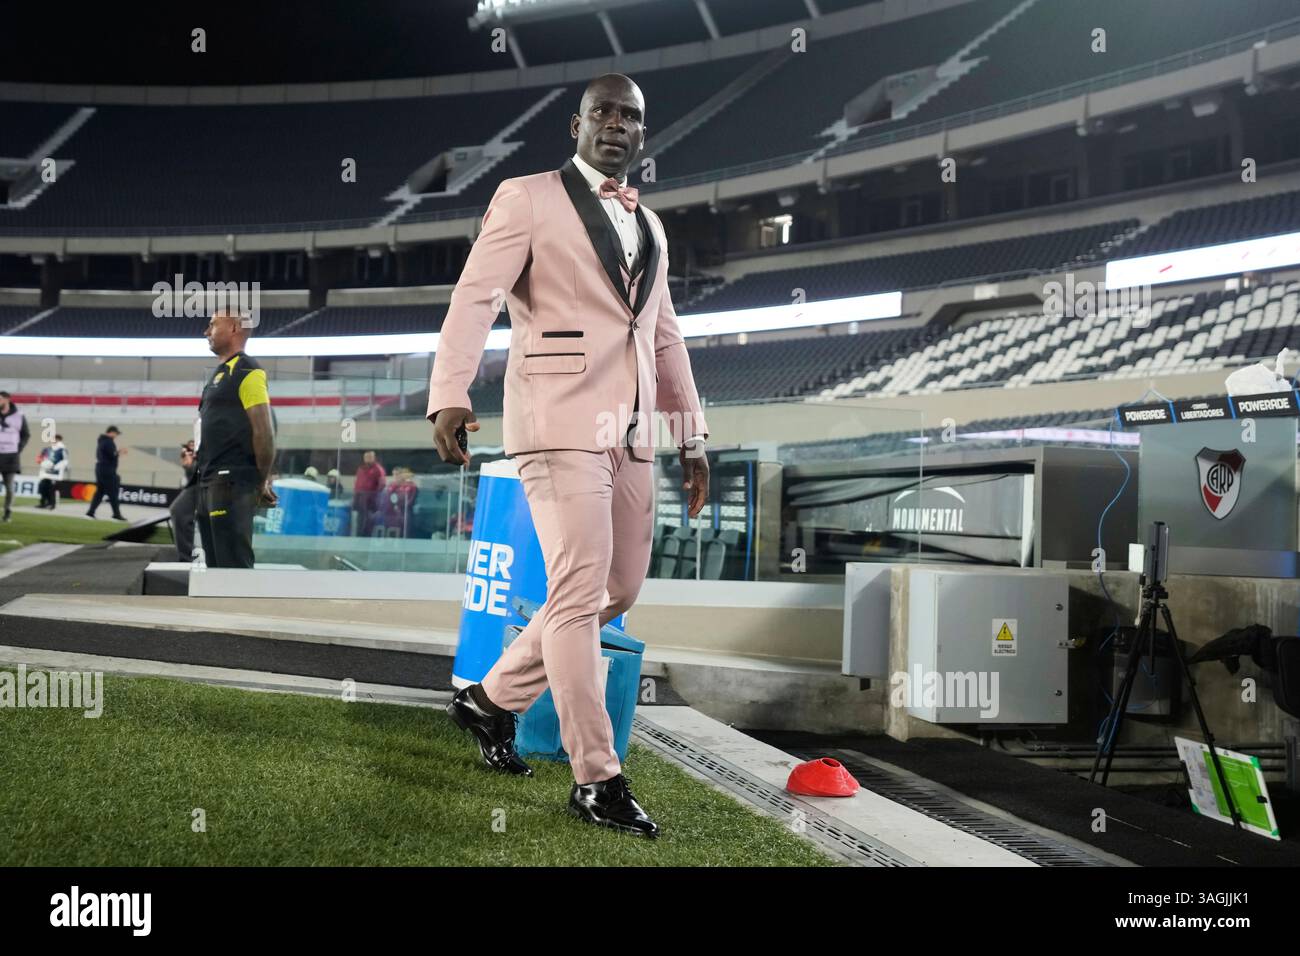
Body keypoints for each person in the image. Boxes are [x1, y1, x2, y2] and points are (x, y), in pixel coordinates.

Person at [433, 74, 710, 839]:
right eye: (604, 113)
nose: (617, 125)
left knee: (614, 591)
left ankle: (488, 700)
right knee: (580, 589)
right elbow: (474, 297)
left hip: (633, 433)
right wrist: (450, 390)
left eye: (632, 117)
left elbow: (663, 336)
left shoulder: (650, 224)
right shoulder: (525, 198)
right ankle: (598, 778)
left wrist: (691, 435)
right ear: (577, 124)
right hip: (554, 420)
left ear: (644, 133)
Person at [194, 309, 277, 568]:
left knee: (233, 569)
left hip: (231, 483)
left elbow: (264, 432)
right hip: (208, 482)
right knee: (216, 568)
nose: (206, 332)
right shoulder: (219, 374)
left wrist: (261, 481)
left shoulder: (249, 371)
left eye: (212, 325)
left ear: (233, 328)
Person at [0, 391, 31, 522]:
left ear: (7, 400)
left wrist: (18, 448)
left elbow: (26, 434)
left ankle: (7, 512)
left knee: (9, 487)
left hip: (11, 456)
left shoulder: (19, 415)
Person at [86, 425, 127, 521]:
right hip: (107, 470)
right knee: (113, 492)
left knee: (100, 492)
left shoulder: (102, 441)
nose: (116, 436)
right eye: (116, 433)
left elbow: (107, 454)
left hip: (100, 469)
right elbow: (112, 455)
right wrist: (120, 452)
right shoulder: (108, 442)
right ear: (111, 432)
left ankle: (90, 512)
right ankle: (116, 514)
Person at [169, 439, 199, 561]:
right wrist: (188, 465)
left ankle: (187, 557)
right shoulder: (191, 460)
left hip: (206, 482)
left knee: (178, 510)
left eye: (191, 449)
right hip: (198, 483)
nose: (188, 452)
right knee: (178, 510)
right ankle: (187, 556)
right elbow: (191, 476)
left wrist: (191, 464)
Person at [352, 450, 386, 536]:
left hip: (370, 502)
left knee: (368, 523)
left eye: (370, 457)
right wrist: (355, 499)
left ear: (374, 458)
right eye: (366, 457)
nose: (367, 459)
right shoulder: (361, 469)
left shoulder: (378, 469)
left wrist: (373, 497)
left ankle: (366, 540)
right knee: (359, 522)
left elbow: (382, 484)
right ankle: (359, 538)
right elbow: (357, 484)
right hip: (360, 499)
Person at [381, 466, 419, 537]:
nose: (396, 476)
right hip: (391, 515)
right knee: (390, 532)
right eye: (394, 474)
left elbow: (410, 500)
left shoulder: (411, 486)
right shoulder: (392, 485)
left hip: (405, 514)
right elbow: (387, 498)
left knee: (405, 533)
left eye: (397, 474)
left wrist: (400, 505)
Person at [37, 433, 69, 509]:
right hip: (45, 473)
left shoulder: (62, 450)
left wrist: (56, 467)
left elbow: (65, 461)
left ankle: (52, 504)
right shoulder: (47, 449)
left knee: (52, 489)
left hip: (55, 475)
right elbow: (40, 458)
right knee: (42, 487)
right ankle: (43, 503)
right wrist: (42, 463)